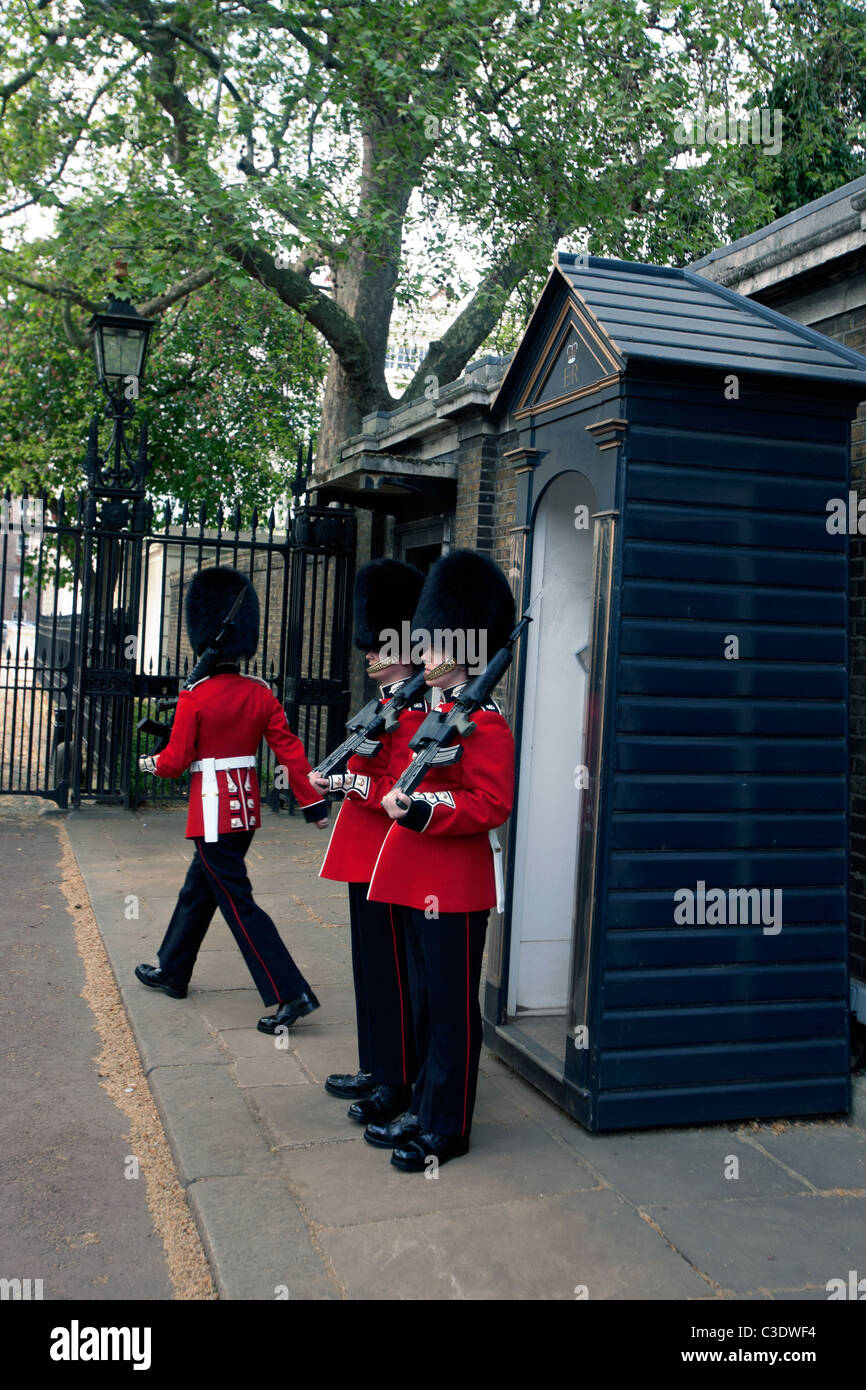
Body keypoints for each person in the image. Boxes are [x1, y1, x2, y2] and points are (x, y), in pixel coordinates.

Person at [368, 550, 516, 1171]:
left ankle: (447, 1127)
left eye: (431, 649)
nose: (422, 658)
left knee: (453, 1010)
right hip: (411, 875)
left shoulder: (484, 724)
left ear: (463, 649)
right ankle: (425, 1105)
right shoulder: (434, 715)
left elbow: (489, 804)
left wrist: (423, 809)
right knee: (425, 1002)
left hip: (453, 885)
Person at [134, 565, 329, 1033]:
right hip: (243, 812)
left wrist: (148, 764)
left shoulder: (196, 697)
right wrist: (313, 805)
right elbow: (290, 750)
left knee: (237, 904)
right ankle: (173, 969)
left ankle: (291, 992)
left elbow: (176, 761)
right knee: (197, 890)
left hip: (211, 811)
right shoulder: (260, 695)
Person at [311, 558, 428, 1127]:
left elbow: (402, 786)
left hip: (389, 855)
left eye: (380, 645)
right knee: (368, 968)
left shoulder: (414, 709)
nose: (369, 654)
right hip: (365, 853)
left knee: (392, 973)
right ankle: (375, 1063)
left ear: (405, 646)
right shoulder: (385, 702)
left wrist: (348, 783)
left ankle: (396, 1080)